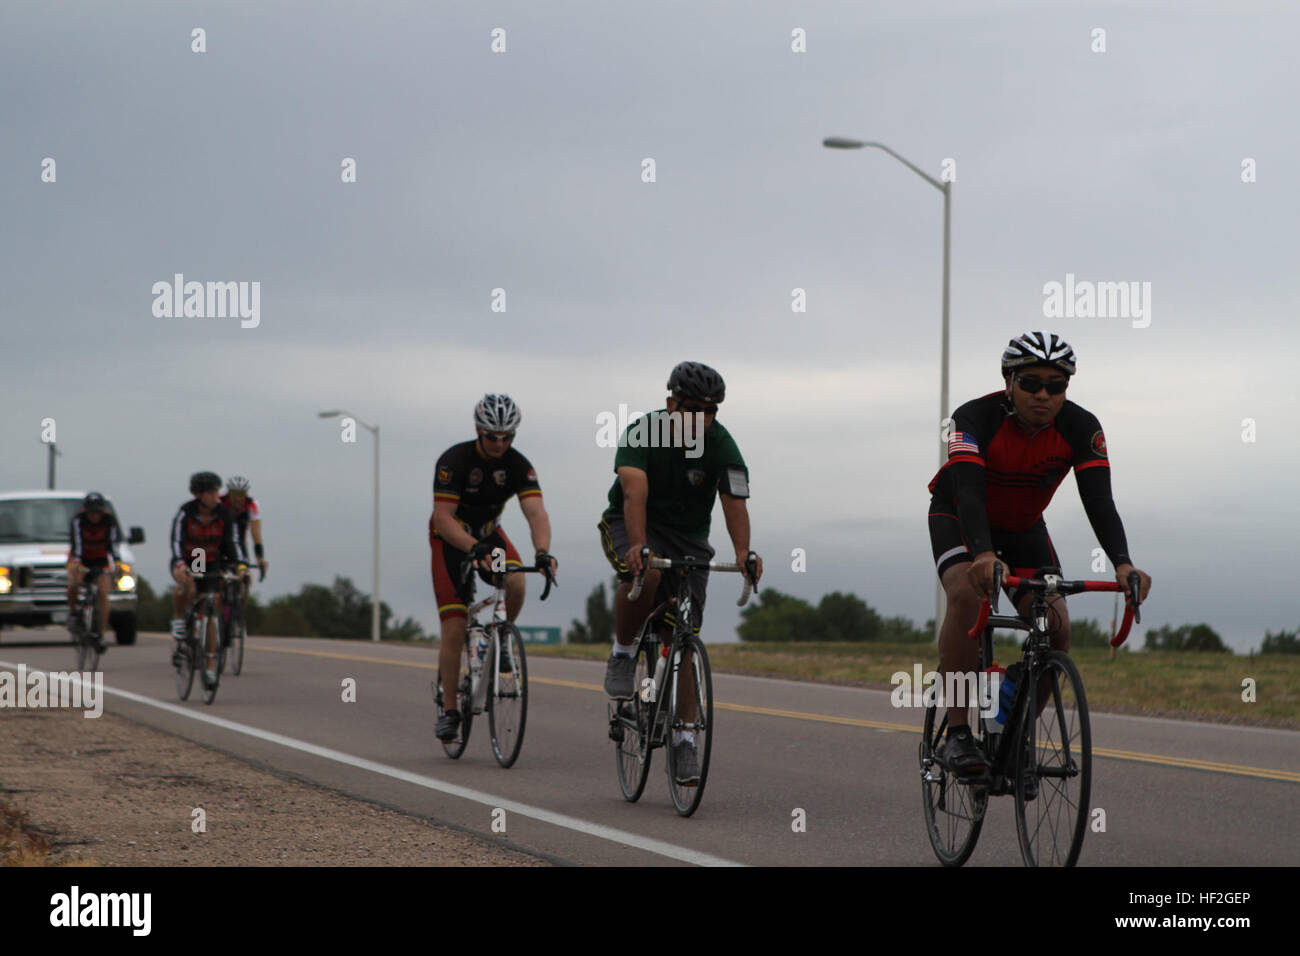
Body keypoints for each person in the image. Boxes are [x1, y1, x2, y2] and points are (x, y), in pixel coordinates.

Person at [927, 332, 1152, 779]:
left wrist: (1123, 563)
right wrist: (984, 554)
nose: (1044, 395)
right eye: (1031, 383)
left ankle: (1011, 729)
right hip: (960, 517)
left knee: (1057, 626)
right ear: (1008, 381)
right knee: (968, 597)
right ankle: (957, 734)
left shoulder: (1081, 427)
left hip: (1025, 529)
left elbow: (1099, 502)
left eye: (1057, 385)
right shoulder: (971, 418)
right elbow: (970, 493)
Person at [599, 361, 762, 784]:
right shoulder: (642, 432)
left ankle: (685, 739)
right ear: (671, 404)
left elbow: (734, 501)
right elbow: (635, 492)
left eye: (710, 411)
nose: (701, 419)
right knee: (647, 576)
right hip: (634, 522)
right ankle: (621, 652)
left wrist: (744, 552)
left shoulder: (721, 444)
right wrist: (638, 545)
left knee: (684, 636)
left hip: (689, 538)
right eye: (692, 408)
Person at [429, 395, 557, 741]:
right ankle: (450, 709)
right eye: (492, 437)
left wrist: (542, 551)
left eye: (507, 437)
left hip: (489, 535)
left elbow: (536, 512)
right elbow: (442, 518)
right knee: (455, 624)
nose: (500, 444)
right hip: (452, 540)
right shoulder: (454, 460)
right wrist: (473, 548)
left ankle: (500, 638)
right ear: (478, 431)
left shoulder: (517, 464)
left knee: (514, 580)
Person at [169, 472, 245, 684]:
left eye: (216, 491)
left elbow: (234, 541)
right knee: (190, 586)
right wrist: (179, 564)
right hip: (192, 557)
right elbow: (176, 540)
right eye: (211, 492)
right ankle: (178, 620)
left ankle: (210, 666)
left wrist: (240, 564)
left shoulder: (224, 513)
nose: (216, 496)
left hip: (212, 558)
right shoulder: (186, 512)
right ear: (198, 494)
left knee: (213, 605)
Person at [66, 492, 120, 654]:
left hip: (100, 559)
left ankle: (100, 634)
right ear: (86, 511)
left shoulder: (109, 520)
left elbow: (113, 542)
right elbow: (76, 542)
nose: (95, 517)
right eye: (91, 513)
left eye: (98, 513)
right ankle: (74, 613)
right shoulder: (78, 520)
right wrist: (76, 561)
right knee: (73, 582)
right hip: (80, 558)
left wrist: (117, 561)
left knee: (103, 592)